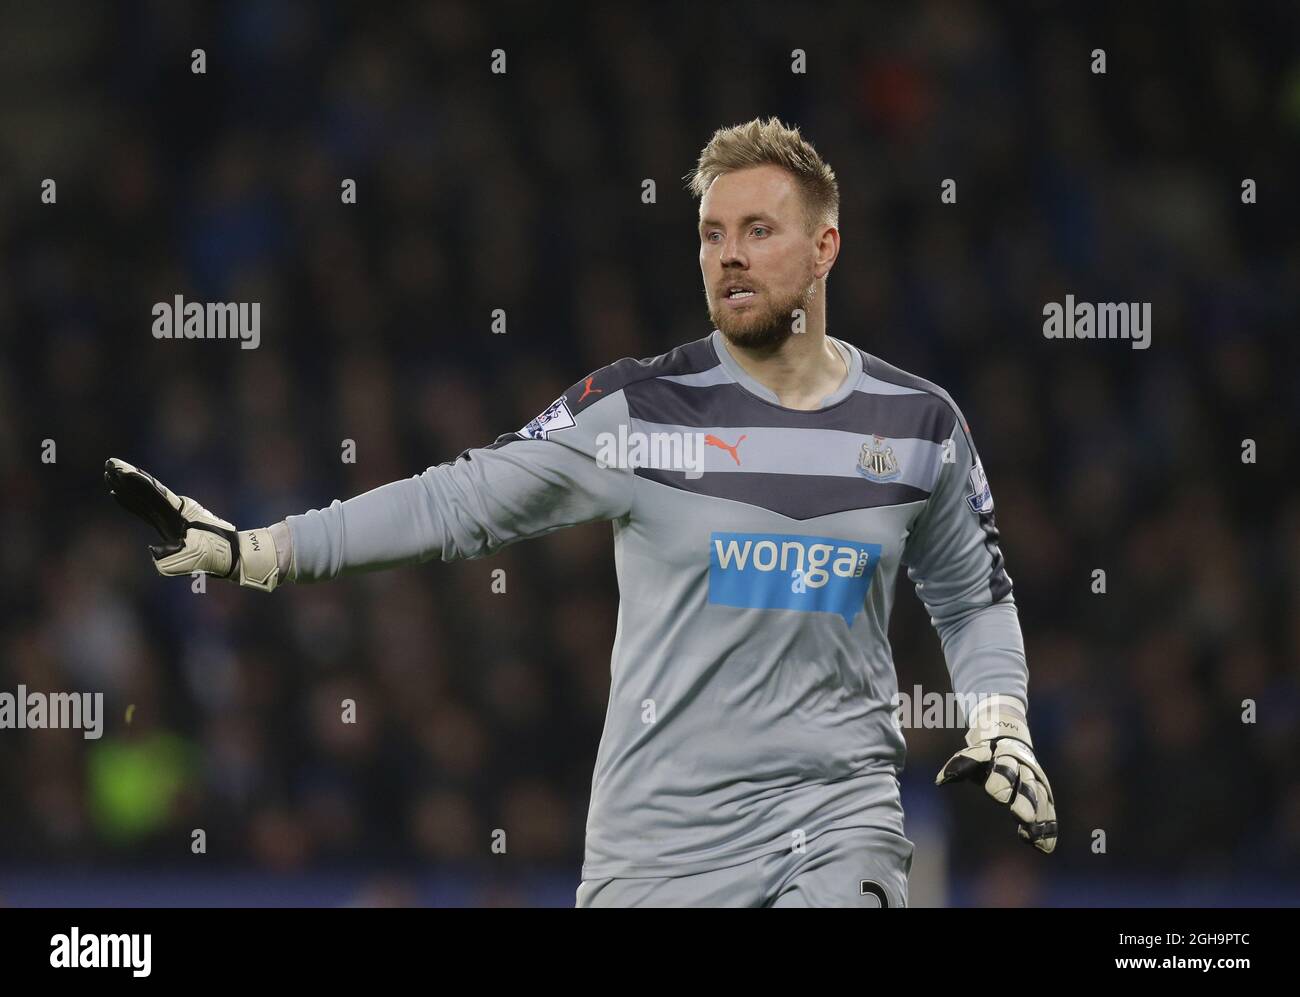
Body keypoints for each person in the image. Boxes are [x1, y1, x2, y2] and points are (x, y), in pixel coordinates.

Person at [105, 116, 1056, 908]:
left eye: (758, 230)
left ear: (824, 248)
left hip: (839, 822)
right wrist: (256, 550)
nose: (729, 255)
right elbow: (461, 500)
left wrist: (998, 717)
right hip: (657, 851)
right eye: (712, 233)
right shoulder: (637, 410)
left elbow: (971, 597)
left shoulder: (921, 424)